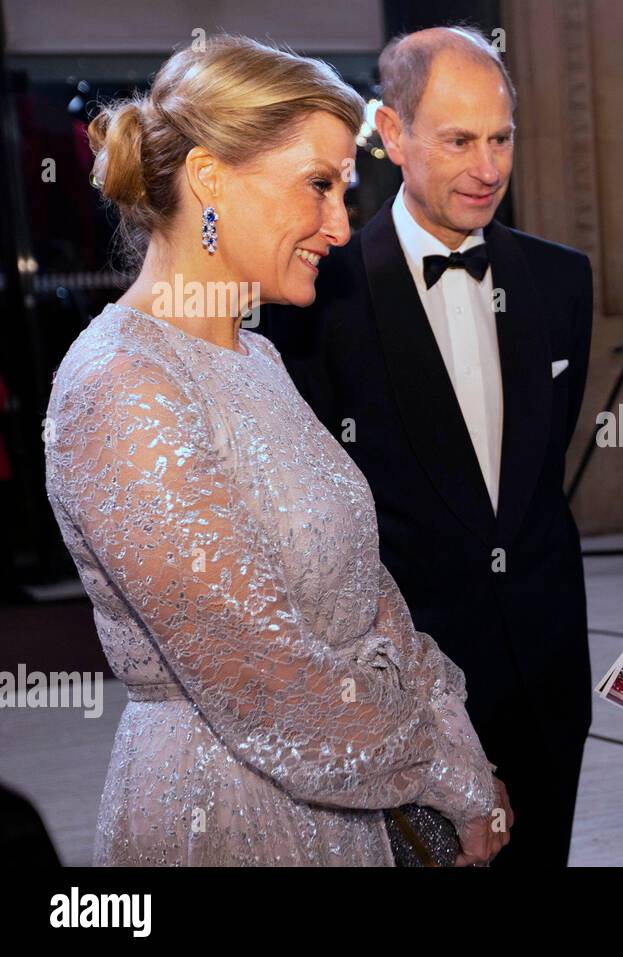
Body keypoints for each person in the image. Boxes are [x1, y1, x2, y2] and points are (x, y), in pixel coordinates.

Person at [45, 35, 508, 866]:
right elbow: (273, 684)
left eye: (346, 189)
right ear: (211, 178)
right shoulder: (121, 387)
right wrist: (447, 777)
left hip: (350, 800)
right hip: (223, 813)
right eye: (319, 186)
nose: (341, 224)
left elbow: (371, 598)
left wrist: (459, 747)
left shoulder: (254, 356)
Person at [259, 27, 592, 867]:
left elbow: (535, 488)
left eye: (501, 138)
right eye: (459, 140)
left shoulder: (563, 282)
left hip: (549, 670)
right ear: (392, 132)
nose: (488, 167)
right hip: (405, 692)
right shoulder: (316, 293)